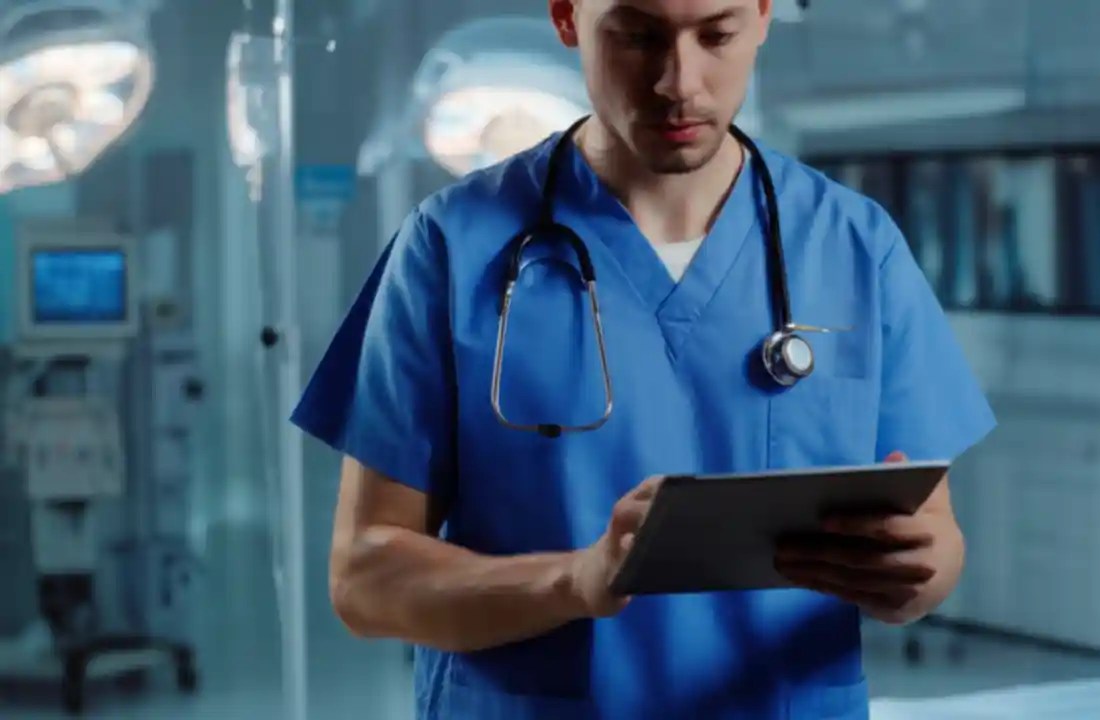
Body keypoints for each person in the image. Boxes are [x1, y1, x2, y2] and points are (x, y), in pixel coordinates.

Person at [291, 0, 995, 718]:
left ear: (761, 15)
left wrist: (918, 575)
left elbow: (935, 538)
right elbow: (366, 577)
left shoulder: (853, 244)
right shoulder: (452, 245)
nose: (678, 82)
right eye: (637, 37)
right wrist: (573, 582)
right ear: (567, 17)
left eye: (716, 34)